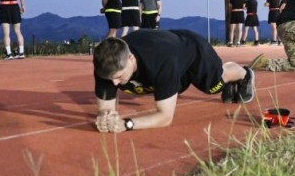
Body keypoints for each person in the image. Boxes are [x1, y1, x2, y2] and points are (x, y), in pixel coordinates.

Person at [92, 30, 265, 132]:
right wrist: (105, 119)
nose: (115, 84)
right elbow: (106, 110)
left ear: (131, 58)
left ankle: (243, 73)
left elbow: (165, 117)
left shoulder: (161, 61)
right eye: (110, 79)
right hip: (171, 50)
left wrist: (127, 124)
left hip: (193, 51)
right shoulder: (106, 63)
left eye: (119, 77)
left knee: (214, 87)